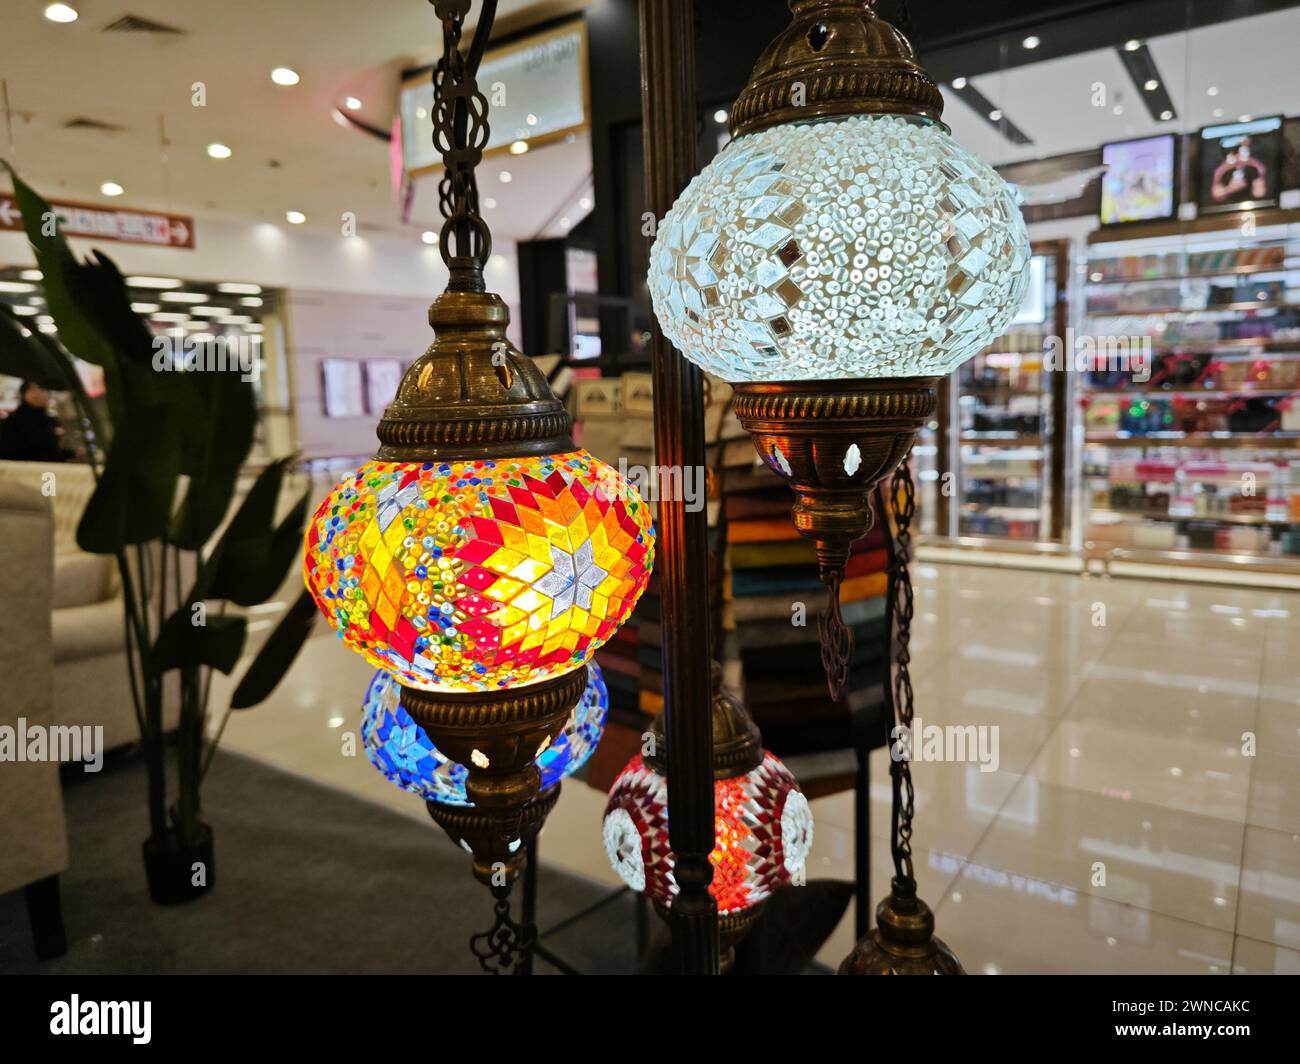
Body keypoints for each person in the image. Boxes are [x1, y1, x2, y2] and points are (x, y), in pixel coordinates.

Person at [0, 379, 65, 462]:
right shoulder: (13, 421)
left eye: (42, 389)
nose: (37, 394)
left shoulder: (50, 420)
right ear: (23, 393)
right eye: (32, 389)